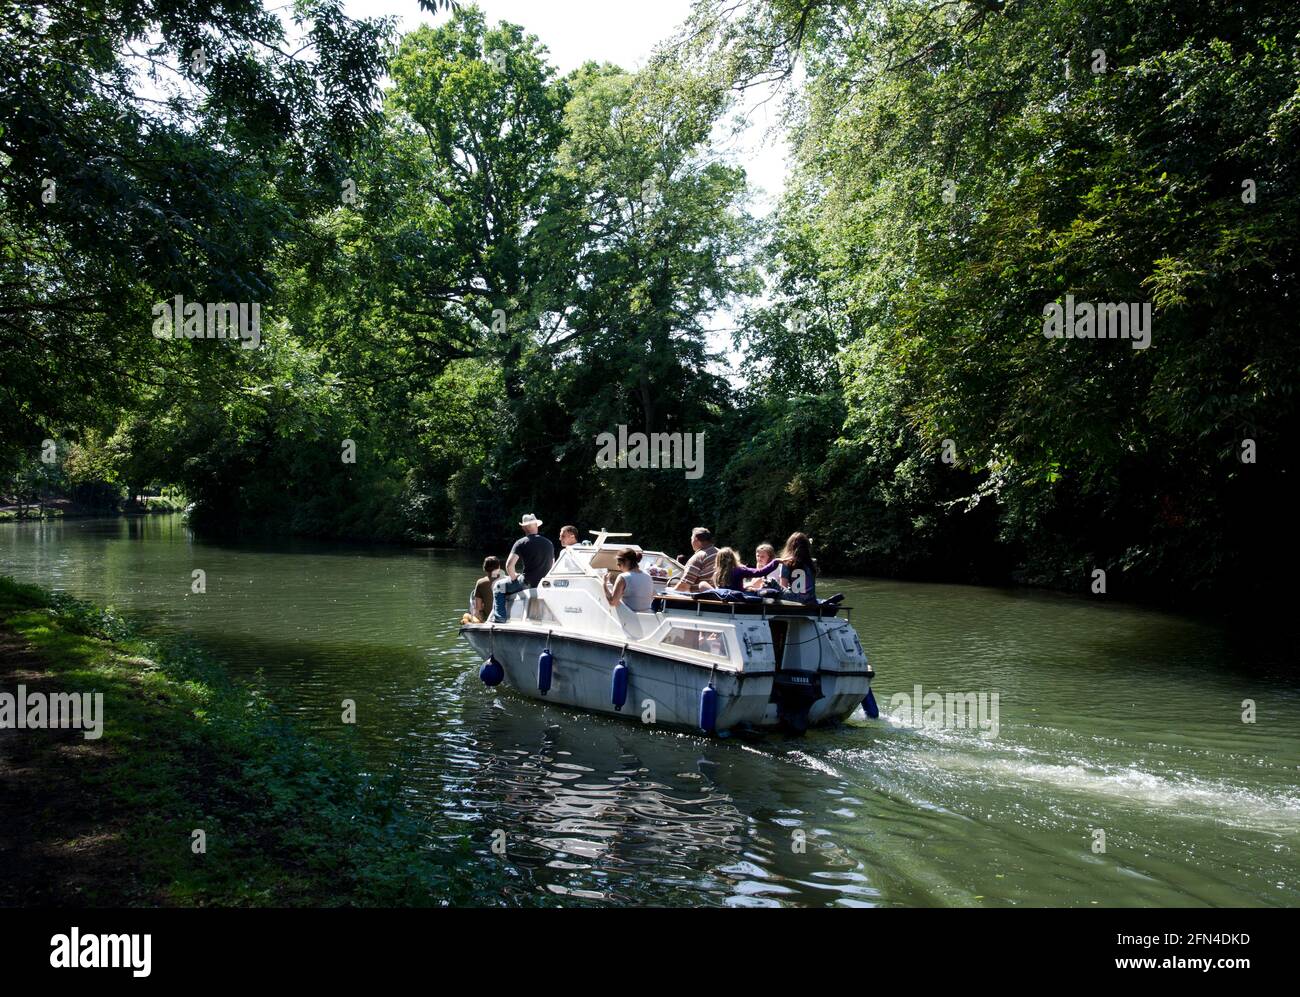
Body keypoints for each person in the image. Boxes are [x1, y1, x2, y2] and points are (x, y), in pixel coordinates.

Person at [494, 514, 555, 621]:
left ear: (523, 527)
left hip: (526, 583)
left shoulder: (521, 543)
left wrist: (514, 579)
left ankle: (500, 618)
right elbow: (552, 565)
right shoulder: (549, 543)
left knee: (499, 586)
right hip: (544, 584)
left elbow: (509, 565)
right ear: (536, 525)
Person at [603, 547, 654, 612]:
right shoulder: (648, 576)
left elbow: (613, 602)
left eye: (619, 564)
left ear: (627, 561)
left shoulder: (623, 577)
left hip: (629, 618)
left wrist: (604, 584)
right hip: (647, 616)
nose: (618, 567)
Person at [711, 546, 780, 591]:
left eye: (762, 556)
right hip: (736, 598)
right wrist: (776, 561)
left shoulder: (716, 574)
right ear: (733, 557)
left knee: (703, 584)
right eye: (758, 556)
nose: (759, 558)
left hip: (723, 597)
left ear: (718, 560)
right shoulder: (740, 570)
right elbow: (760, 573)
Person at [672, 527, 718, 593]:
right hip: (723, 598)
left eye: (691, 539)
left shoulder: (698, 557)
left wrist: (670, 592)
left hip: (701, 600)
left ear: (695, 539)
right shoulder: (721, 553)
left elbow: (684, 586)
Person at [777, 531, 817, 600]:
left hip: (795, 600)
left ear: (789, 546)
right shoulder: (812, 562)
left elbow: (783, 587)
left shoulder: (786, 562)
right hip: (811, 599)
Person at [471, 556, 501, 622]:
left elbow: (478, 608)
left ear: (484, 568)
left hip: (489, 619)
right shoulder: (507, 580)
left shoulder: (480, 583)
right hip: (505, 619)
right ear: (498, 568)